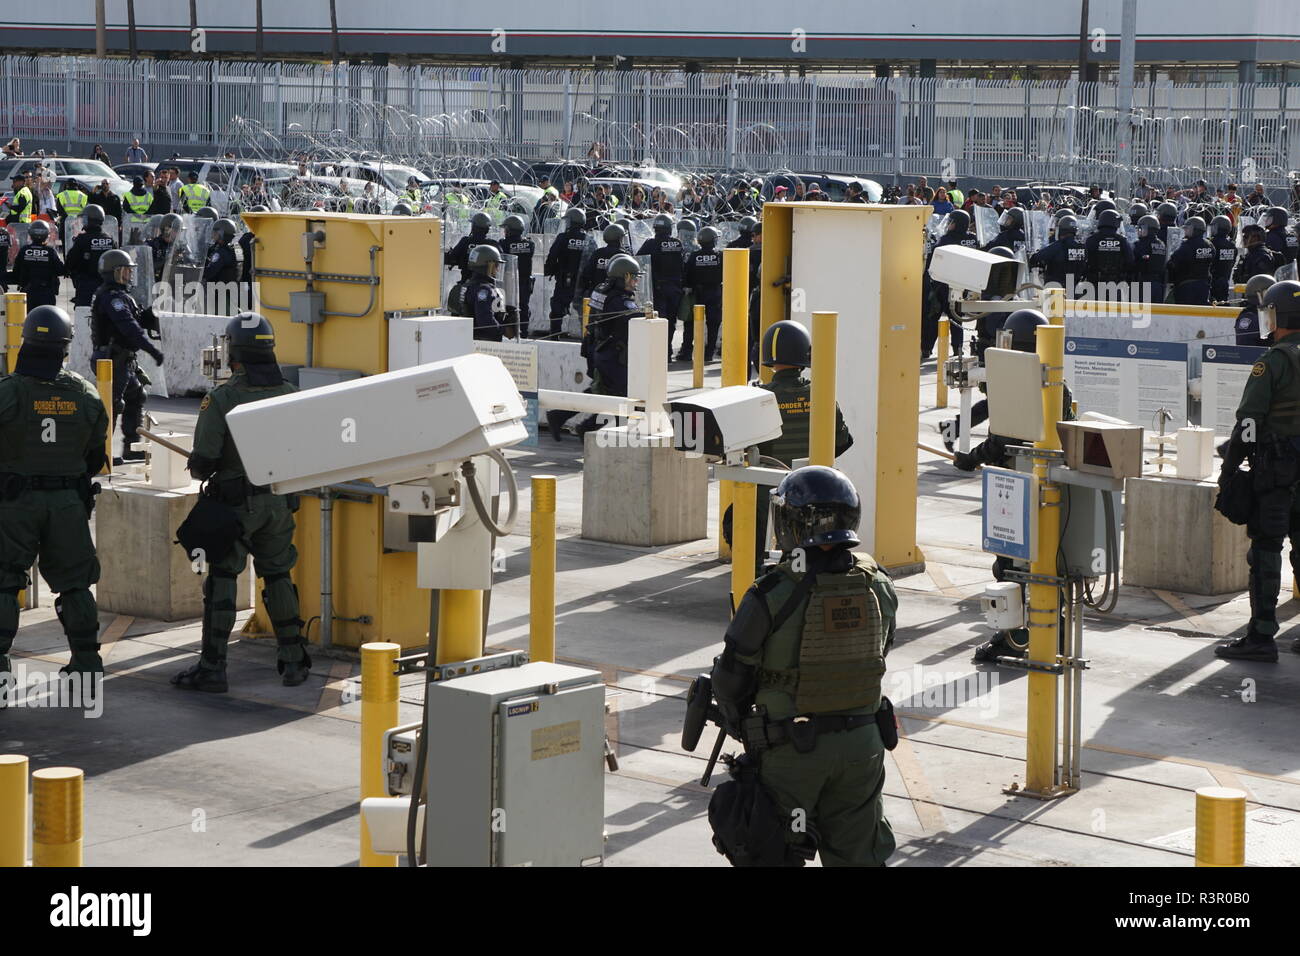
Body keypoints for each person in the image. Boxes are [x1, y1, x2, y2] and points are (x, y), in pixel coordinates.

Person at [707, 465, 897, 867]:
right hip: (863, 746)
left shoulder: (772, 592)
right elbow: (882, 647)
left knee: (773, 851)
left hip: (793, 750)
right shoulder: (877, 582)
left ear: (792, 525)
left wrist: (738, 719)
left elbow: (731, 676)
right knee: (859, 856)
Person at [173, 314, 311, 691]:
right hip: (277, 503)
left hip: (234, 508)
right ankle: (294, 661)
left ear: (233, 352)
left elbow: (203, 463)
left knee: (222, 577)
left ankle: (213, 668)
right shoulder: (291, 393)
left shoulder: (222, 398)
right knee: (278, 575)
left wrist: (201, 464)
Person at [953, 310, 1074, 662]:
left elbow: (1002, 441)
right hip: (1053, 489)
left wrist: (969, 459)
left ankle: (1014, 638)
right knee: (1048, 566)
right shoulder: (1058, 382)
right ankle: (1055, 634)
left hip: (1018, 492)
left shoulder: (1016, 383)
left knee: (1011, 569)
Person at [0, 305, 110, 680]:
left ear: (25, 341)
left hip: (15, 503)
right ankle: (87, 666)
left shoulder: (9, 392)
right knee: (76, 585)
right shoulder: (85, 393)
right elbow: (95, 455)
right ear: (66, 347)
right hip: (67, 504)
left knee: (5, 581)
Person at [1215, 280, 1300, 661]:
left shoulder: (1274, 362)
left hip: (1277, 476)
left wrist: (1229, 469)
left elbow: (1248, 424)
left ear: (1280, 316)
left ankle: (1261, 637)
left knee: (1266, 551)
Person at [726, 321, 854, 573]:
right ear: (805, 353)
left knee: (738, 516)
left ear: (767, 357)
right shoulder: (821, 394)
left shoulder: (759, 398)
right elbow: (842, 442)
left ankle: (752, 570)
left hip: (769, 493)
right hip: (816, 492)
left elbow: (744, 447)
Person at [90, 249, 163, 463]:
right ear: (115, 272)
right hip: (112, 360)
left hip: (122, 360)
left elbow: (137, 319)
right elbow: (129, 327)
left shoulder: (121, 296)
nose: (130, 275)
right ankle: (100, 454)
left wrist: (154, 312)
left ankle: (131, 447)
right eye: (126, 271)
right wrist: (152, 350)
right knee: (112, 405)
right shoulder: (112, 298)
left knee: (136, 395)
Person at [921, 209, 978, 361]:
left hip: (943, 285)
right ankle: (958, 349)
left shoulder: (946, 240)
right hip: (963, 285)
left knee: (933, 318)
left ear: (957, 224)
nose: (948, 225)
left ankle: (926, 348)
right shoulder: (972, 239)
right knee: (957, 319)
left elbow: (933, 258)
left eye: (951, 222)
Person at [636, 213, 685, 361]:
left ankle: (660, 352)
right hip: (675, 288)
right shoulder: (677, 243)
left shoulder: (650, 243)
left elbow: (638, 260)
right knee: (671, 321)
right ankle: (667, 351)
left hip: (658, 289)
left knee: (659, 321)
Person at [543, 207, 589, 338]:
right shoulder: (588, 239)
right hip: (582, 283)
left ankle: (555, 336)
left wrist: (549, 270)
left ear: (571, 222)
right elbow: (591, 260)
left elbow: (552, 256)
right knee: (583, 312)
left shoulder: (563, 237)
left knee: (557, 309)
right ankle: (587, 338)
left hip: (564, 281)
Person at [682, 225, 724, 362]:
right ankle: (709, 353)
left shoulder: (694, 256)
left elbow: (687, 275)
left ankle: (687, 352)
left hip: (697, 293)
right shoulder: (720, 256)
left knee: (691, 323)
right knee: (713, 324)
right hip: (715, 293)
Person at [64, 204, 117, 308]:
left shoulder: (82, 239)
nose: (83, 222)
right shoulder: (110, 240)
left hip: (85, 287)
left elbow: (70, 261)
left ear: (90, 220)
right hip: (106, 287)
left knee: (84, 313)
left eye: (85, 219)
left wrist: (68, 271)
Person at [458, 243, 507, 342]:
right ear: (489, 265)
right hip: (484, 342)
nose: (498, 269)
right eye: (496, 265)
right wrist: (503, 330)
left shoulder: (467, 285)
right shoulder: (484, 290)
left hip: (469, 338)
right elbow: (485, 320)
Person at [1083, 208, 1134, 300]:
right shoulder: (1122, 240)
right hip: (1115, 285)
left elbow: (1084, 261)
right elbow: (1130, 260)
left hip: (1094, 285)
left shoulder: (1091, 240)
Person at [12, 220, 64, 309]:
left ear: (30, 234)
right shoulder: (50, 251)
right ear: (47, 235)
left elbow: (16, 272)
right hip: (46, 293)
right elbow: (60, 270)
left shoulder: (24, 250)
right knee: (46, 316)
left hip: (27, 292)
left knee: (28, 316)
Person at [499, 214, 534, 339]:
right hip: (524, 282)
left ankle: (506, 332)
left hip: (509, 281)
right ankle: (523, 333)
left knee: (506, 307)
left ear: (509, 230)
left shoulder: (503, 243)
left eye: (506, 229)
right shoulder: (530, 244)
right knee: (523, 307)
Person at [1029, 213, 1085, 290]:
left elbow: (1036, 258)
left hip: (1055, 289)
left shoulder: (1058, 246)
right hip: (1075, 288)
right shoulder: (1082, 247)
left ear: (1061, 230)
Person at [1166, 216, 1213, 305]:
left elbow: (1172, 263)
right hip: (1204, 286)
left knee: (1184, 313)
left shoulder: (1187, 246)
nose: (1185, 231)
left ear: (1194, 229)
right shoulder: (1209, 245)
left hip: (1186, 286)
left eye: (1187, 228)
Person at [444, 211, 498, 286]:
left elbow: (452, 257)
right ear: (487, 229)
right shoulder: (493, 244)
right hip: (488, 284)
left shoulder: (466, 241)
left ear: (474, 227)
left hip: (466, 283)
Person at [578, 222, 627, 305]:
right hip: (616, 298)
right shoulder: (624, 255)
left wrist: (584, 291)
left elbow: (587, 273)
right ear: (620, 238)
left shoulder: (598, 253)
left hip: (597, 295)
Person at [1132, 214, 1168, 306]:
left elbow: (1132, 262)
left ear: (1147, 229)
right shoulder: (1161, 244)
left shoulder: (1140, 244)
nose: (1139, 231)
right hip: (1158, 285)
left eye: (1141, 229)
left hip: (1143, 284)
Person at [148, 212, 193, 282]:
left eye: (180, 230)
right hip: (156, 283)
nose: (179, 233)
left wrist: (185, 257)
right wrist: (170, 258)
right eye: (177, 230)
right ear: (167, 230)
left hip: (177, 284)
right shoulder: (153, 245)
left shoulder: (181, 245)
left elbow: (192, 264)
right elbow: (149, 267)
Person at [1234, 274, 1276, 346]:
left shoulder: (1265, 313)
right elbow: (1247, 347)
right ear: (1260, 294)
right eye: (1270, 293)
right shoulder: (1251, 317)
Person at [203, 218, 244, 287]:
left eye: (215, 232)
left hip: (218, 290)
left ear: (221, 233)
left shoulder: (222, 252)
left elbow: (209, 273)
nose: (212, 235)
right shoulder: (235, 247)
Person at [1209, 215, 1238, 303]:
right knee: (1223, 303)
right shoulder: (1232, 246)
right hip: (1225, 281)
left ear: (1217, 228)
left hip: (1212, 282)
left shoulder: (1211, 243)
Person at [121, 177, 153, 243]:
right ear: (142, 184)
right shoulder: (149, 195)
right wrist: (144, 215)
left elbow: (126, 208)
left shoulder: (128, 195)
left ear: (133, 184)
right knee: (145, 243)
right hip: (145, 222)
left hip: (132, 222)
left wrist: (136, 215)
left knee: (132, 243)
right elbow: (152, 208)